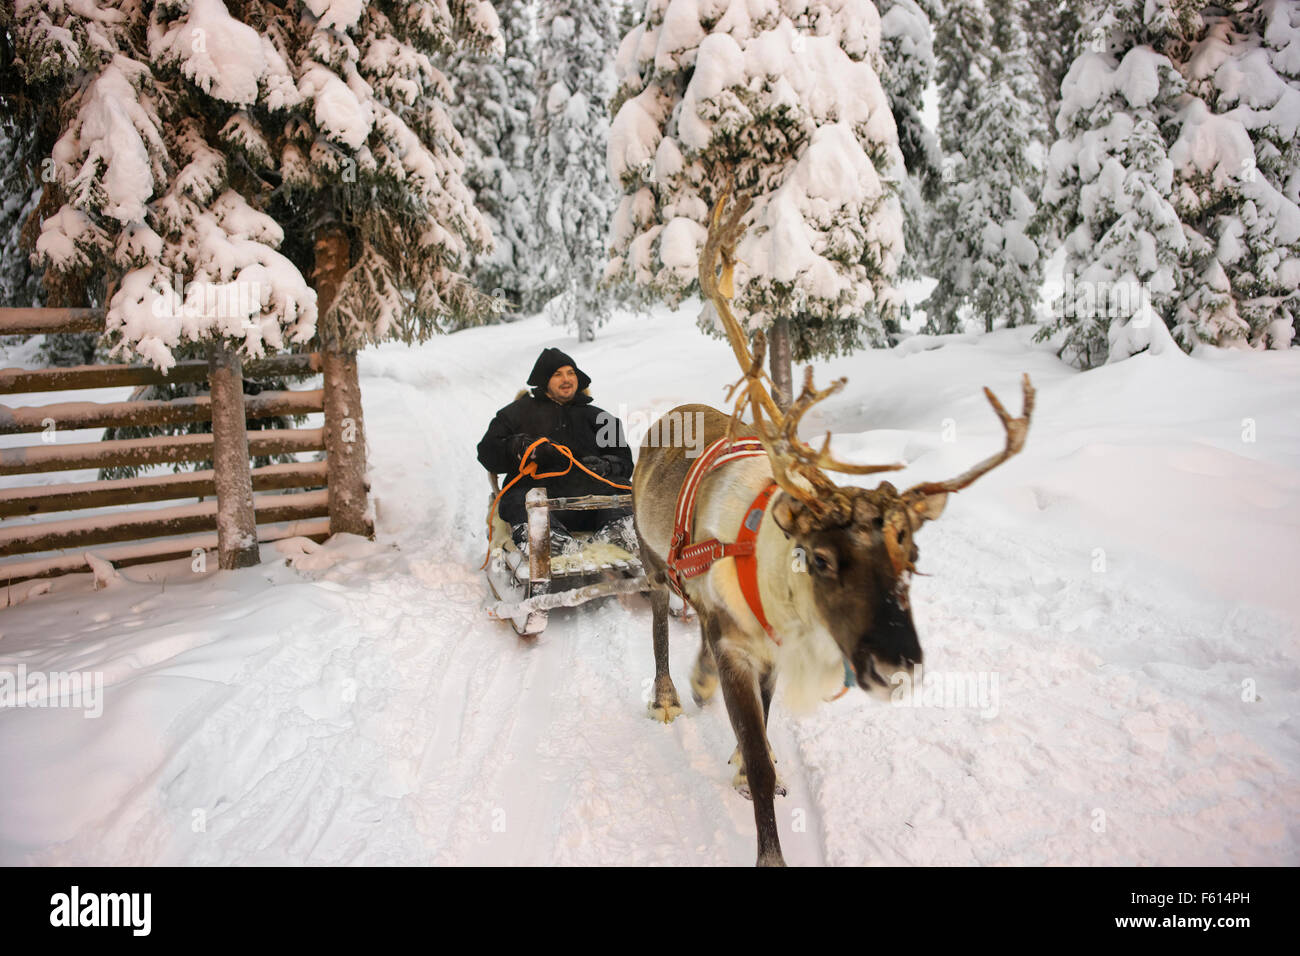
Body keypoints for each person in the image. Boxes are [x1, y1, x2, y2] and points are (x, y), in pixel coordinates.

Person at [477, 347, 635, 554]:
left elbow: (625, 462)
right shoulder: (515, 413)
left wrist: (607, 465)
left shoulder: (600, 418)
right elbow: (487, 452)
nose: (566, 379)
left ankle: (618, 533)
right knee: (520, 499)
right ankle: (550, 542)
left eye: (571, 373)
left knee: (623, 489)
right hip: (538, 498)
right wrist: (519, 447)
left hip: (591, 502)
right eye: (558, 374)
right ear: (544, 380)